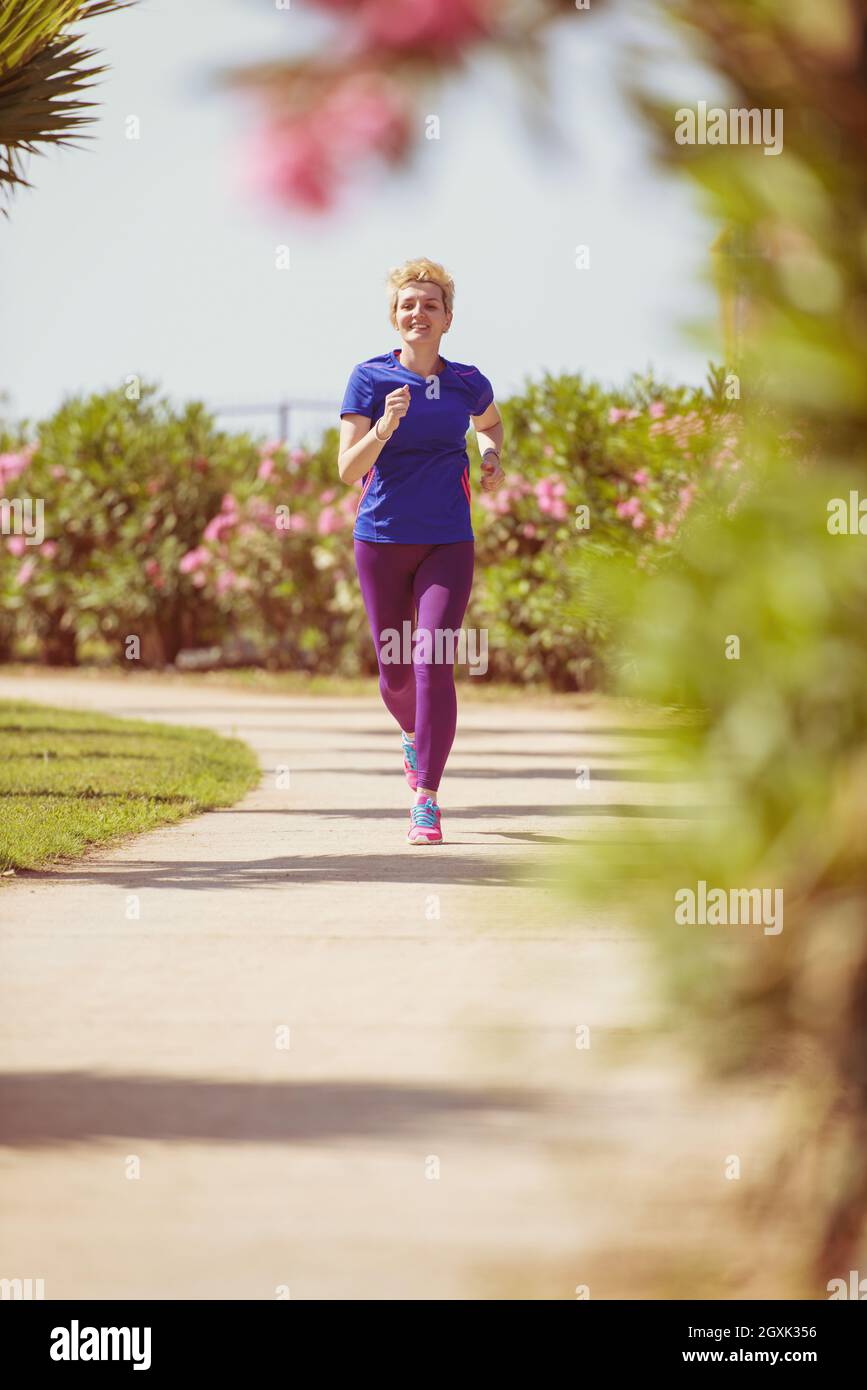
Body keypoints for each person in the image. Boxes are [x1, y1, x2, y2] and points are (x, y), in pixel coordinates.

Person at [337, 257, 505, 844]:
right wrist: (383, 428)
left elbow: (490, 422)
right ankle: (412, 735)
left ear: (447, 318)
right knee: (395, 671)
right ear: (395, 317)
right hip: (380, 539)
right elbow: (345, 469)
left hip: (447, 541)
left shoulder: (466, 381)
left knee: (434, 660)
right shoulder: (369, 379)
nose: (418, 313)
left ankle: (426, 796)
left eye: (430, 304)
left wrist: (489, 456)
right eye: (408, 304)